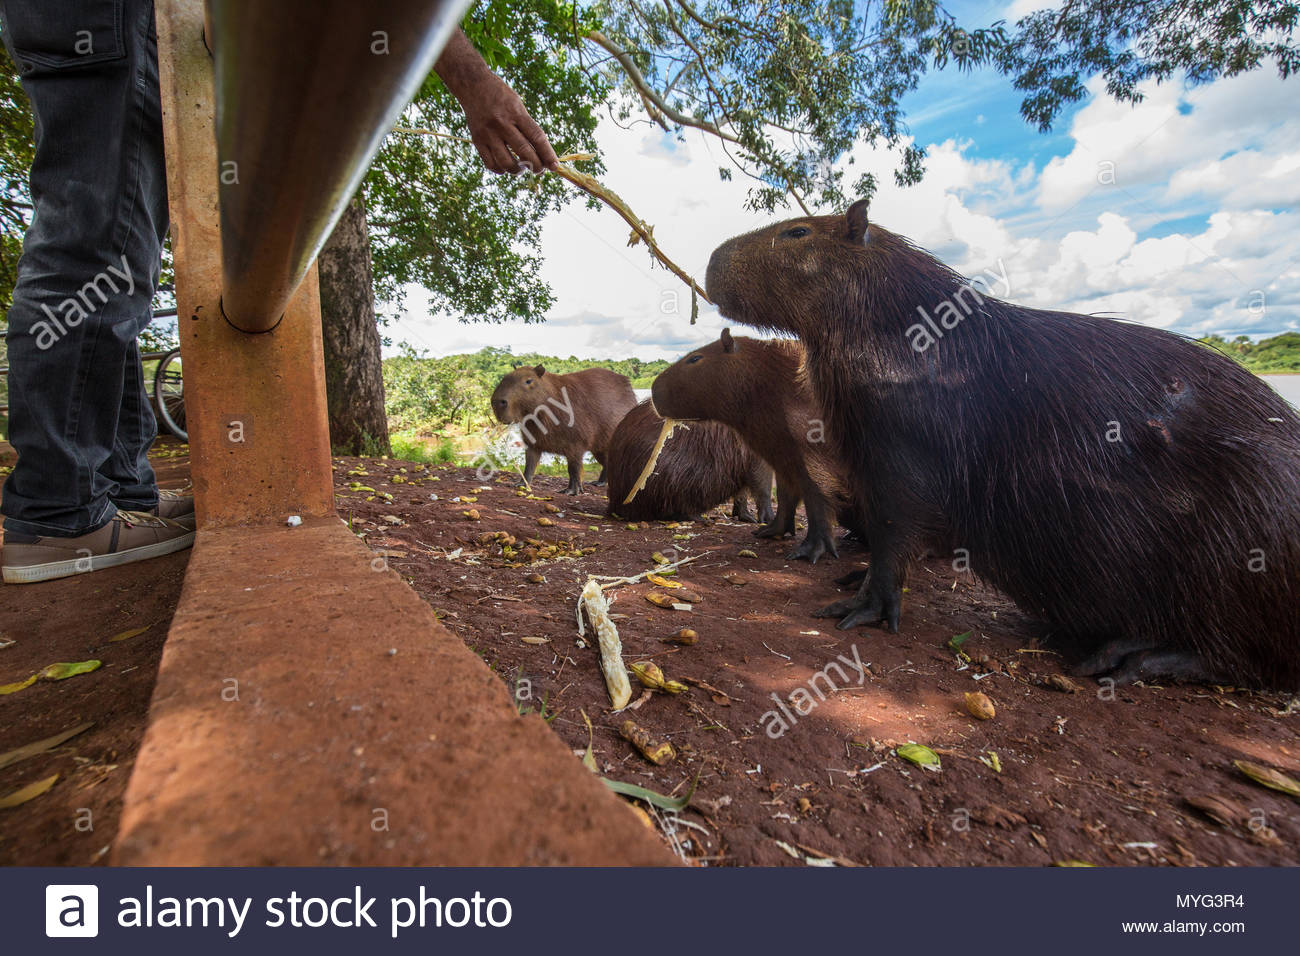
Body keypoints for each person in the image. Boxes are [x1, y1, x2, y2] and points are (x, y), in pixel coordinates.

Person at [0, 1, 557, 584]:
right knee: (96, 241)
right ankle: (57, 512)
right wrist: (475, 82)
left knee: (123, 252)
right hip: (114, 15)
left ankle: (119, 490)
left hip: (114, 20)